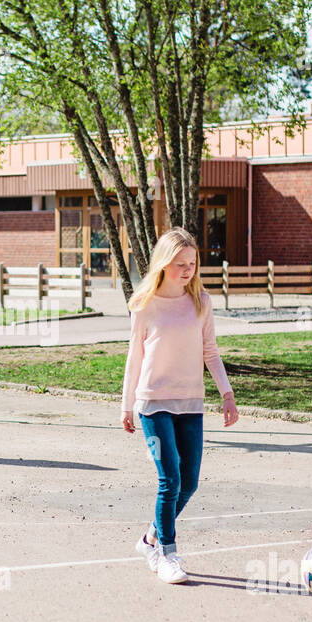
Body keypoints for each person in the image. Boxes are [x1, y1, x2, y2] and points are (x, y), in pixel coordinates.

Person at [121, 227, 239, 584]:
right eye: (179, 264)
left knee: (189, 483)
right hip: (153, 404)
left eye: (192, 263)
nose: (187, 270)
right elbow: (134, 358)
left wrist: (227, 394)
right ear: (163, 263)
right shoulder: (145, 306)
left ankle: (149, 539)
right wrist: (126, 406)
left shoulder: (201, 301)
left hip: (191, 403)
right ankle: (168, 554)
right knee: (169, 479)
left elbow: (211, 353)